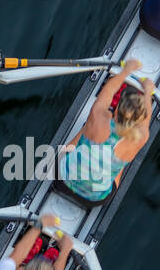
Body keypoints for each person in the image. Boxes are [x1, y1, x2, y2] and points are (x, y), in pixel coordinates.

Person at [59, 59, 154, 204]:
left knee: (87, 127)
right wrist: (148, 91)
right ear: (139, 119)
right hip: (94, 200)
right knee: (124, 158)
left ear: (117, 108)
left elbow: (109, 89)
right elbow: (147, 117)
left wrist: (127, 70)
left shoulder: (98, 115)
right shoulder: (142, 137)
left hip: (61, 181)